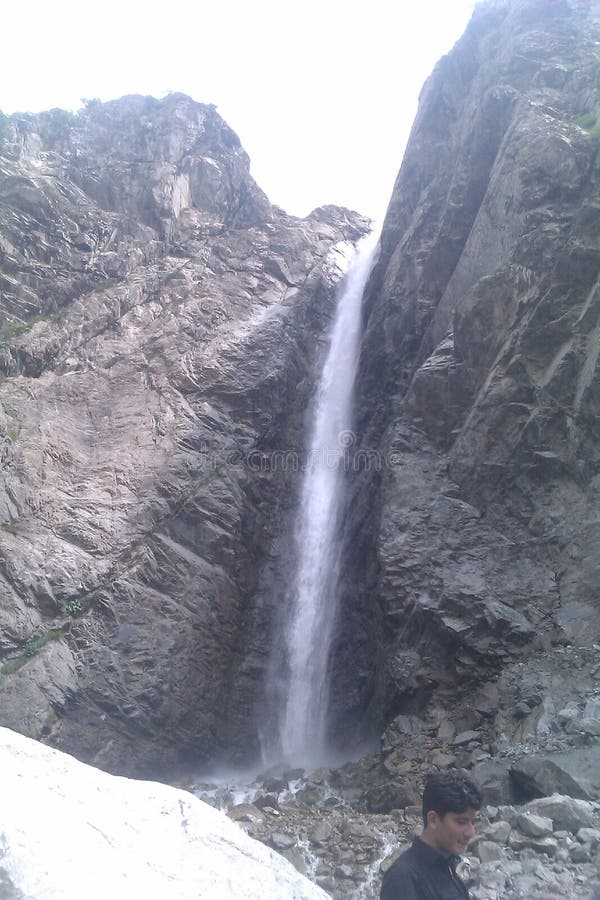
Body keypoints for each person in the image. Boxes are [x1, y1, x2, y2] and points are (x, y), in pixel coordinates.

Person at [380, 770, 482, 900]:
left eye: (473, 822)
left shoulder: (450, 870)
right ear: (433, 819)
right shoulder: (402, 877)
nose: (471, 833)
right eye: (461, 822)